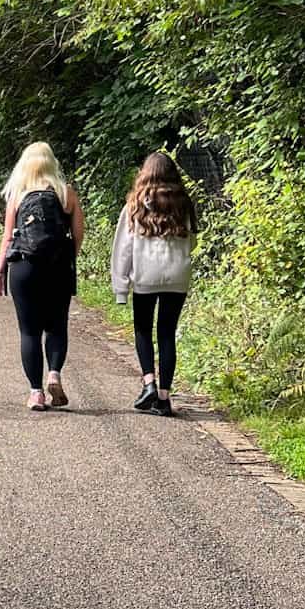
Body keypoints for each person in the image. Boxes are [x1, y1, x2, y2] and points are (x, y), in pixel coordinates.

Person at [0, 142, 85, 412]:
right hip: (57, 267)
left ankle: (36, 394)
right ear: (51, 163)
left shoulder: (18, 196)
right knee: (57, 326)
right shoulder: (67, 194)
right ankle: (54, 373)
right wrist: (67, 258)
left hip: (24, 267)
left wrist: (0, 271)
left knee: (29, 331)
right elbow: (78, 234)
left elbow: (8, 238)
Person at [110, 152, 197, 416]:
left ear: (145, 173)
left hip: (146, 276)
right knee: (167, 333)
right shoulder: (184, 204)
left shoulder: (135, 204)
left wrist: (121, 286)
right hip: (177, 275)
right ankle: (164, 397)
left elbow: (123, 248)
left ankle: (149, 382)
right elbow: (192, 241)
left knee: (143, 330)